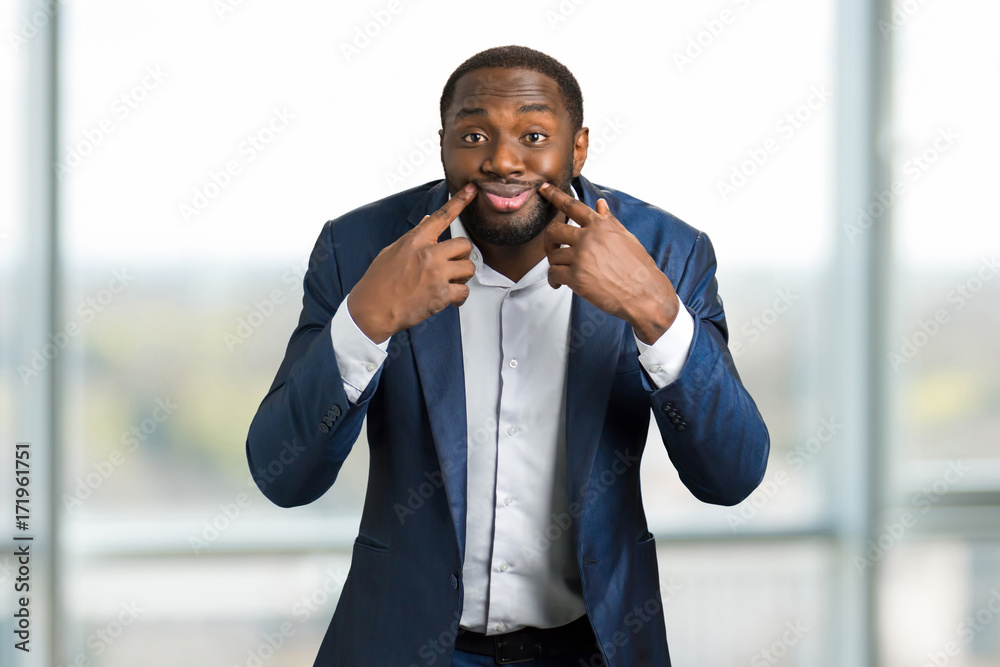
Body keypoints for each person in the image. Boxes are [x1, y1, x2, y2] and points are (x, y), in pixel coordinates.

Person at [246, 45, 769, 667]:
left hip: (596, 648)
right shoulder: (361, 247)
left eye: (534, 134)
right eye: (474, 134)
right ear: (443, 143)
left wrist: (656, 313)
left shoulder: (667, 251)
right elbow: (285, 478)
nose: (501, 159)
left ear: (576, 149)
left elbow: (731, 477)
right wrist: (366, 322)